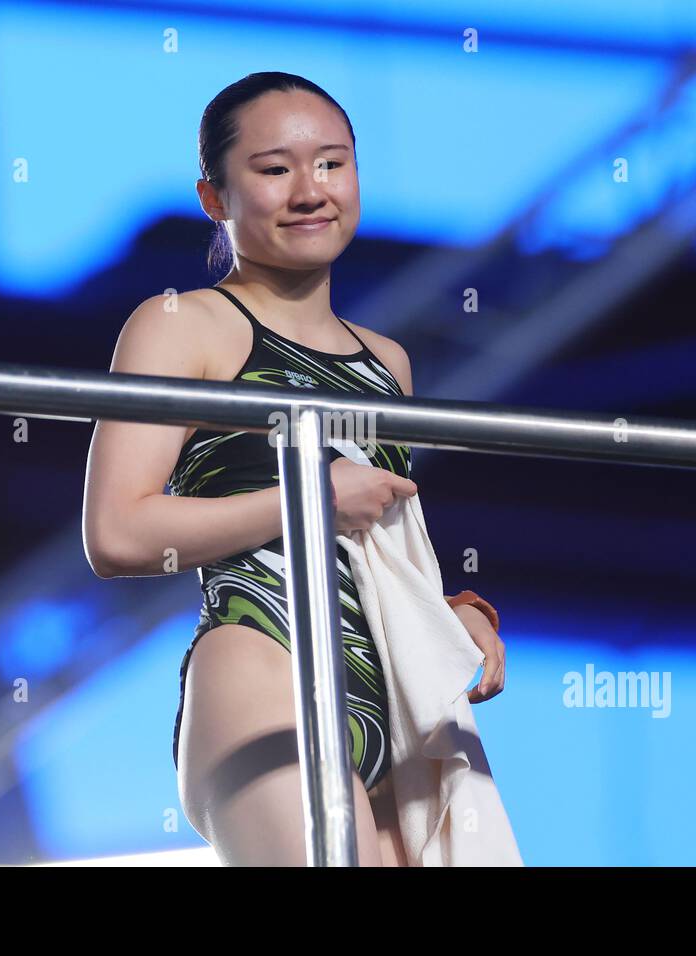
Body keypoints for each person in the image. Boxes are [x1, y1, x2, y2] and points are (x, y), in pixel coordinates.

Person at [82, 72, 505, 866]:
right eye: (275, 170)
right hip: (262, 671)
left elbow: (372, 552)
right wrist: (309, 497)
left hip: (390, 701)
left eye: (332, 164)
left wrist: (457, 614)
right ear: (214, 197)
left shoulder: (389, 362)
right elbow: (118, 531)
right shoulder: (185, 323)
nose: (310, 191)